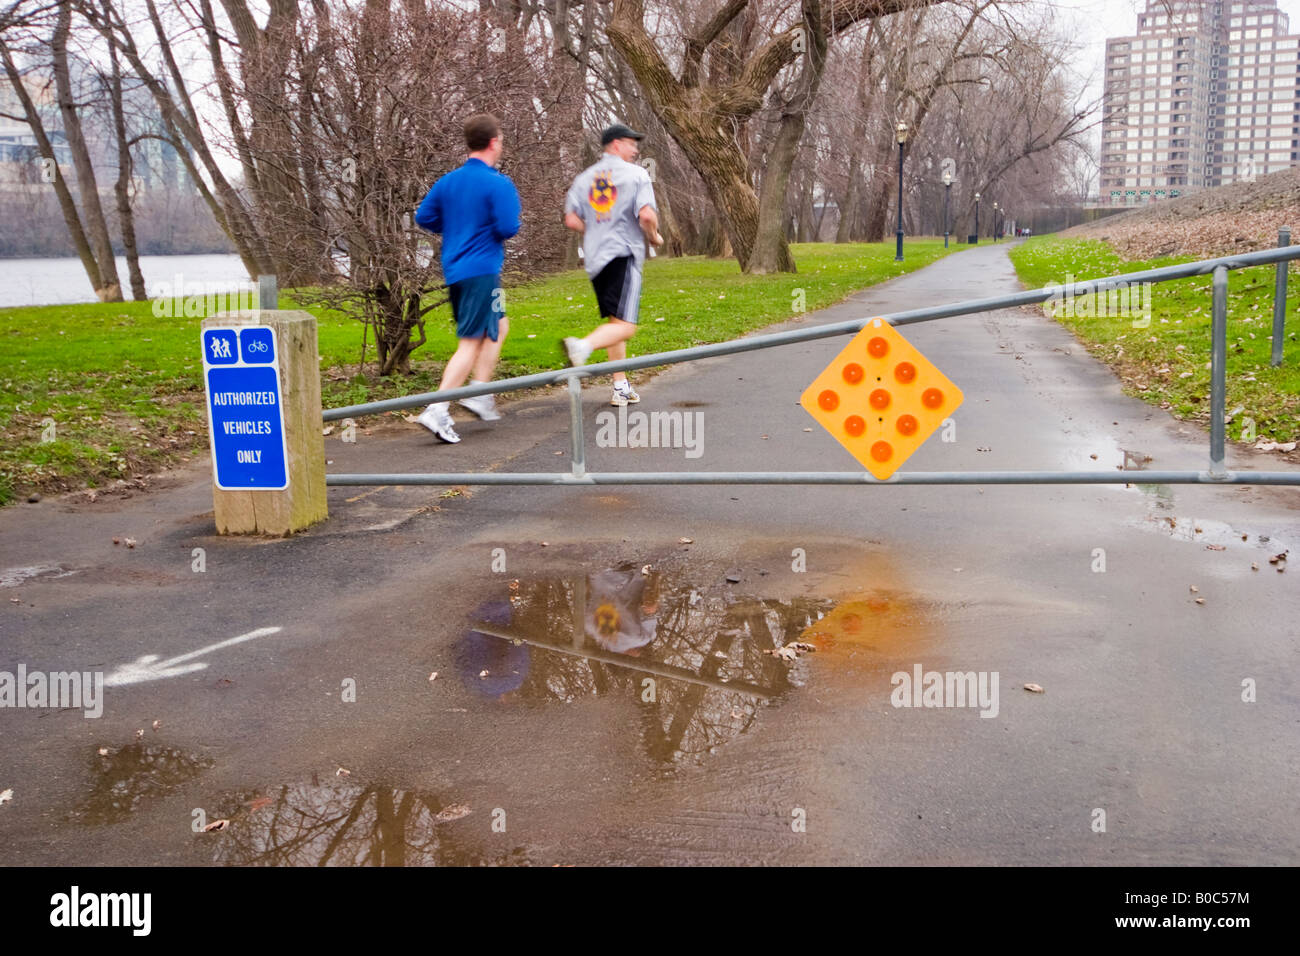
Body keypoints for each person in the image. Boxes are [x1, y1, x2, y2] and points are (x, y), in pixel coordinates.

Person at [412, 113, 521, 443]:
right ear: (493, 143)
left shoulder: (449, 181)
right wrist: (480, 229)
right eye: (500, 140)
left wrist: (458, 227)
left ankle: (480, 391)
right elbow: (508, 227)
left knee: (499, 325)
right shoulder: (497, 183)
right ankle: (437, 409)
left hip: (457, 270)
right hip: (481, 271)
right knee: (471, 341)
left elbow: (424, 216)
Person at [561, 123, 663, 406]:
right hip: (623, 253)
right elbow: (646, 215)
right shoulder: (637, 174)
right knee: (627, 326)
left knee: (615, 321)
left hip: (595, 258)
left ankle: (620, 385)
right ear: (616, 144)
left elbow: (571, 219)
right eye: (632, 144)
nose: (636, 149)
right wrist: (654, 236)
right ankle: (581, 347)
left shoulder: (584, 178)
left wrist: (595, 232)